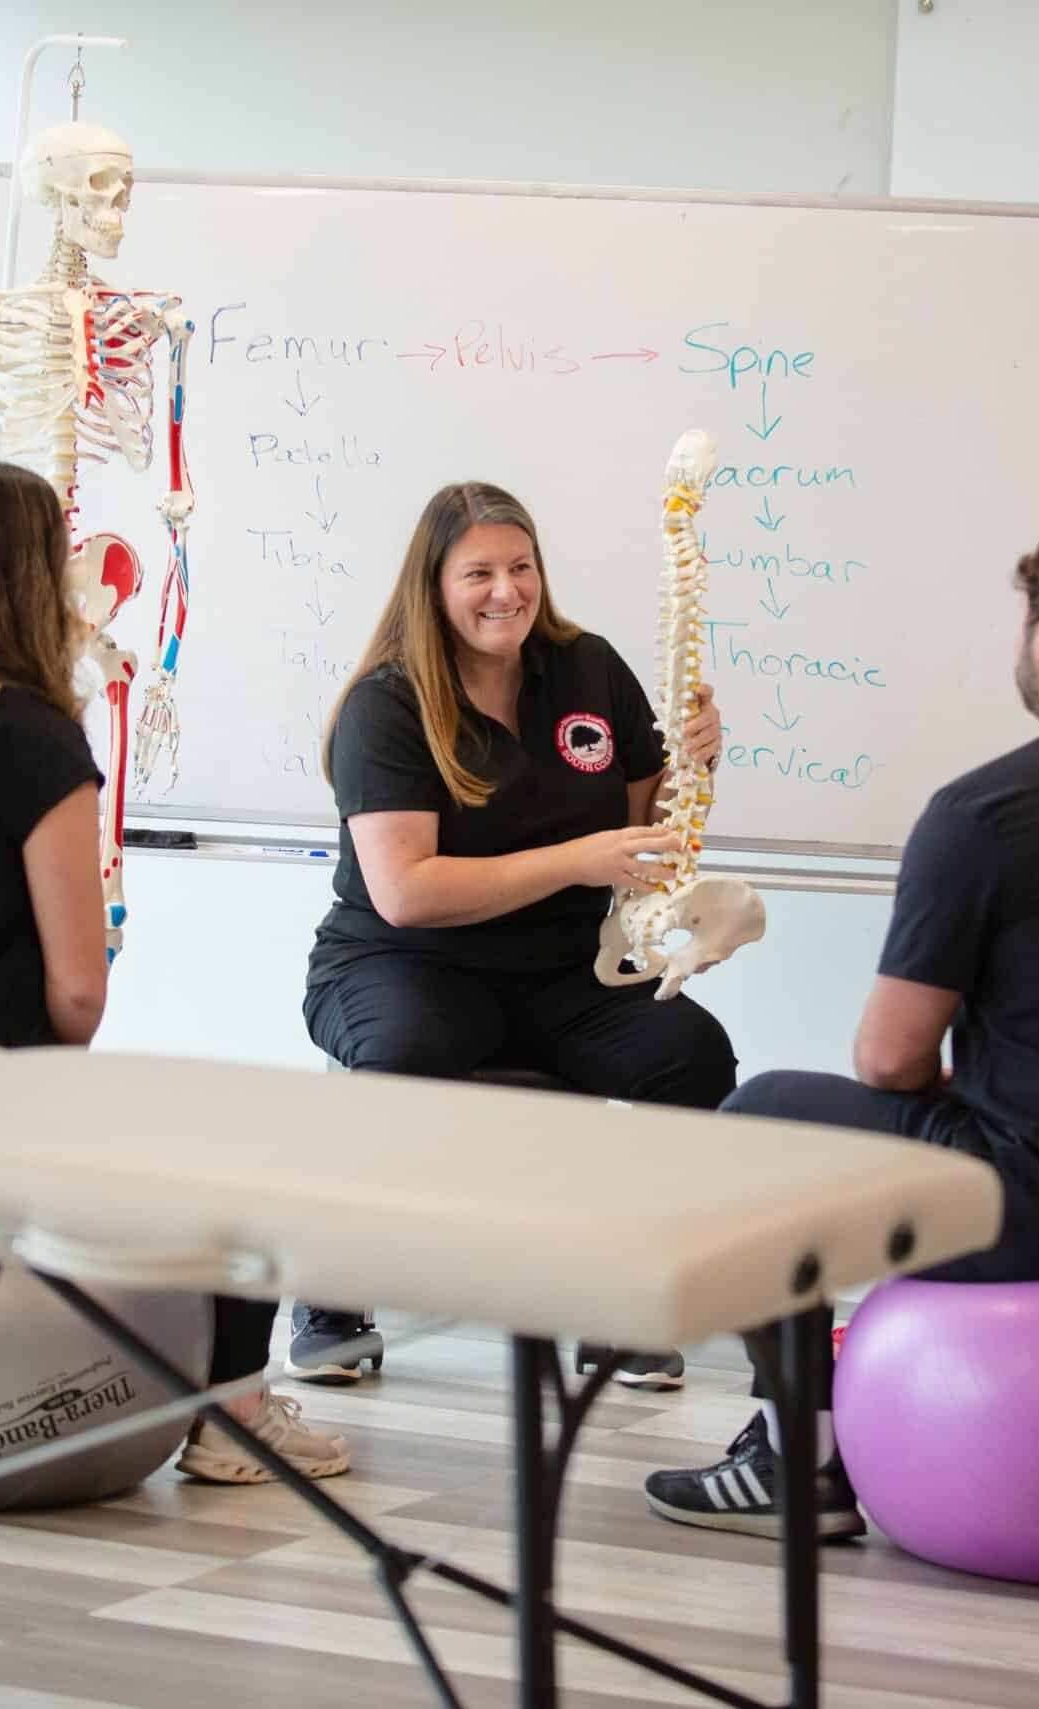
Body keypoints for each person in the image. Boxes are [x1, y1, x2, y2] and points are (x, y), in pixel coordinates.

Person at [642, 520, 1039, 1539]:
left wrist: (958, 1090)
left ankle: (794, 1459)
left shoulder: (986, 811)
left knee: (757, 1116)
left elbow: (887, 1057)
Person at [0, 455, 348, 1486]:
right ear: (27, 578)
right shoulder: (33, 740)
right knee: (247, 1141)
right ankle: (234, 1415)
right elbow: (79, 993)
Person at [283, 480, 740, 1391]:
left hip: (559, 967)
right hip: (401, 960)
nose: (508, 591)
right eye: (479, 573)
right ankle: (332, 1292)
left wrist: (695, 764)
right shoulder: (386, 704)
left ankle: (625, 1302)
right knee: (405, 1051)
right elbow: (406, 892)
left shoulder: (587, 667)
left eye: (521, 566)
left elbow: (643, 833)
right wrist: (575, 859)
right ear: (433, 585)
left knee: (690, 1054)